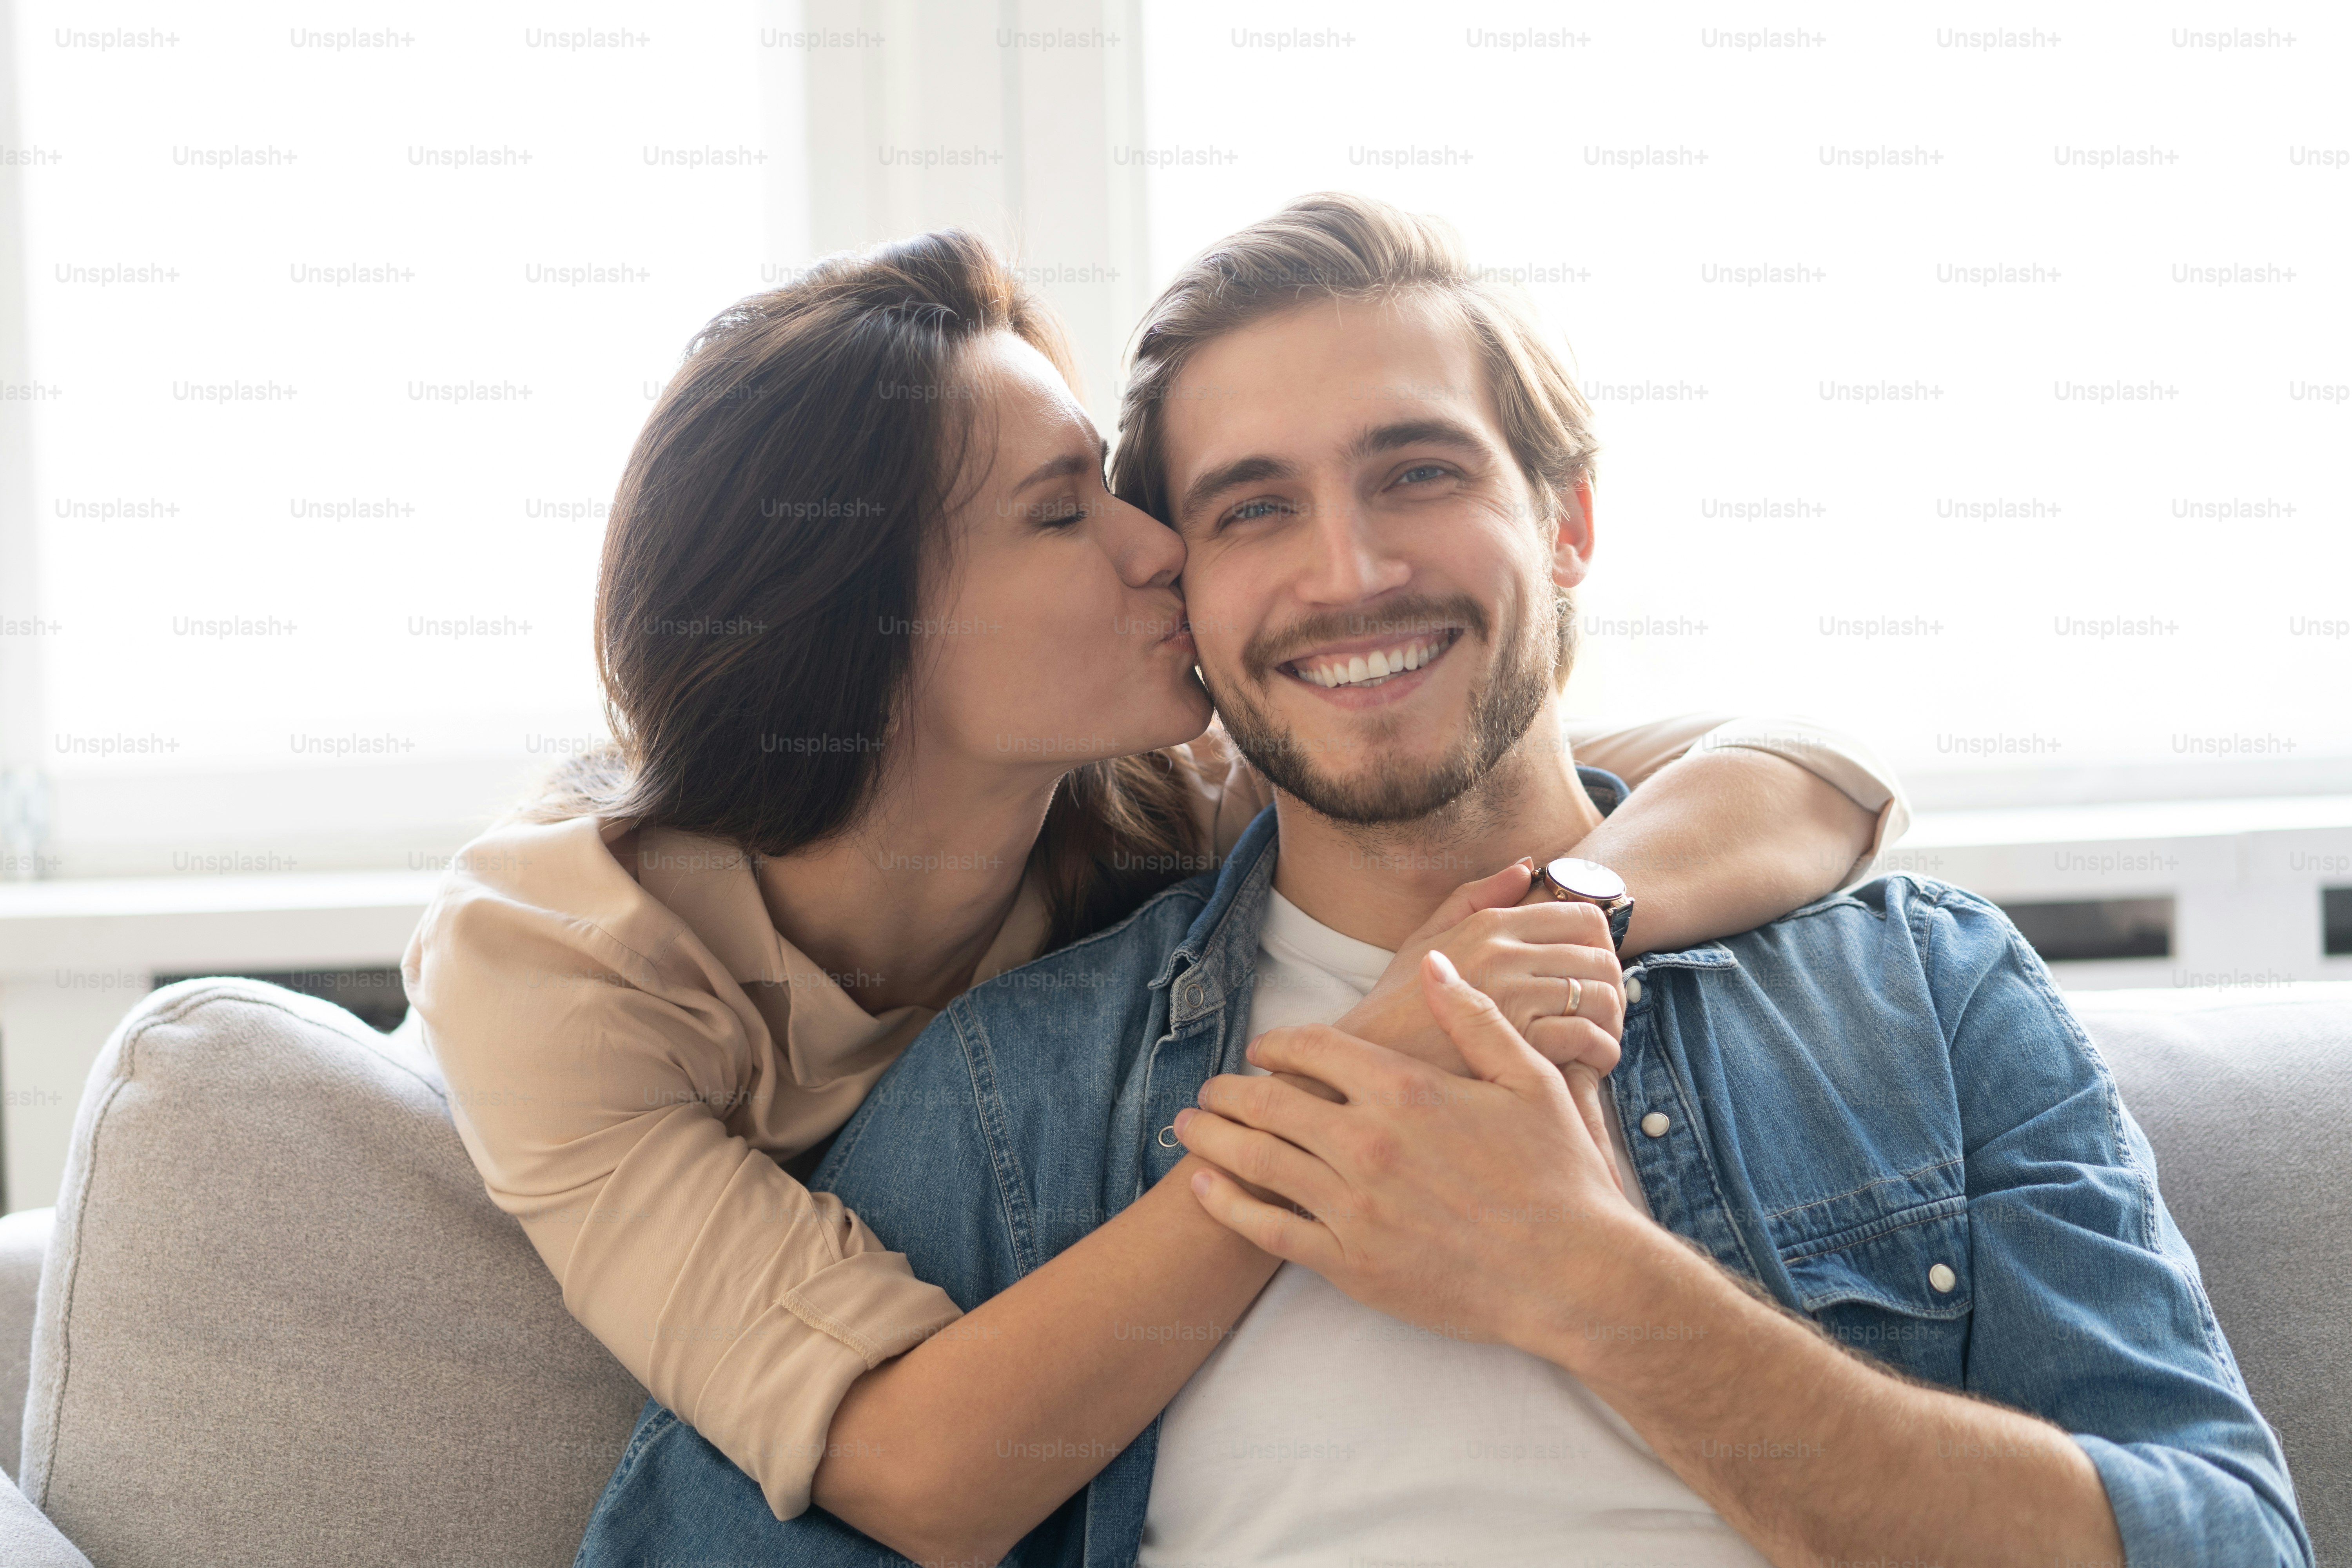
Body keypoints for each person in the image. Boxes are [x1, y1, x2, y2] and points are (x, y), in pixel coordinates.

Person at [573, 194, 2310, 1567]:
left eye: (1418, 473)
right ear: (1182, 594)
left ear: (1568, 524)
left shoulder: (1915, 991)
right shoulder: (1018, 1089)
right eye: (1253, 510)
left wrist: (1592, 1286)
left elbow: (2223, 1540)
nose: (1351, 570)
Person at [403, 230, 1910, 1548]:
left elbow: (1805, 768)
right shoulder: (557, 962)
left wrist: (1563, 907)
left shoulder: (1166, 794)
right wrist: (1379, 1057)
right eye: (1067, 514)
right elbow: (921, 1477)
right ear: (870, 627)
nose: (1162, 546)